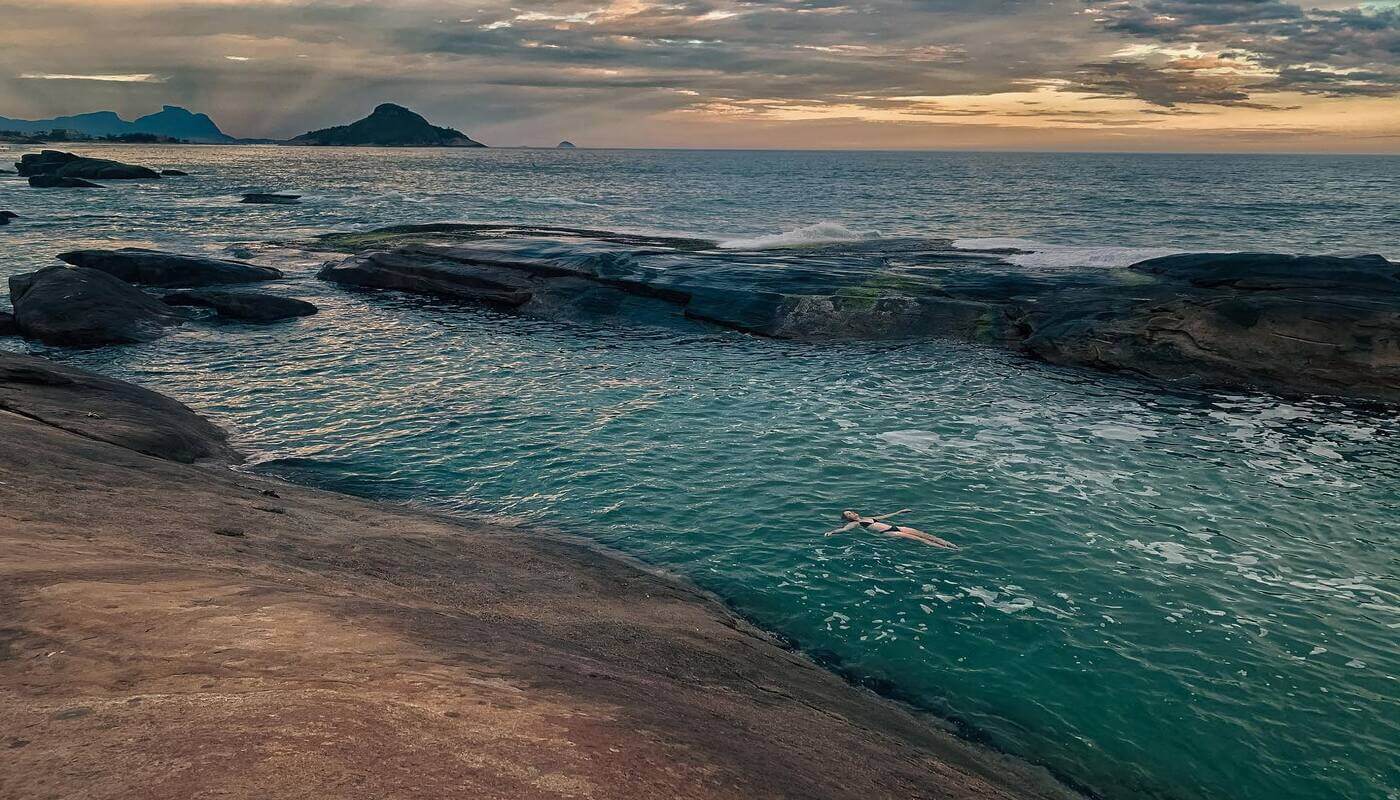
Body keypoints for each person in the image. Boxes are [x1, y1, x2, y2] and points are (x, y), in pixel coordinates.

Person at [825, 509, 957, 549]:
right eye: (848, 515)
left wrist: (899, 512)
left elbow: (884, 516)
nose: (851, 514)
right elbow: (844, 530)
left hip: (894, 527)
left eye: (851, 512)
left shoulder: (867, 518)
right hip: (888, 532)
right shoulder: (855, 524)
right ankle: (945, 549)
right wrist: (832, 532)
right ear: (848, 519)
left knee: (923, 534)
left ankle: (949, 544)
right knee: (918, 539)